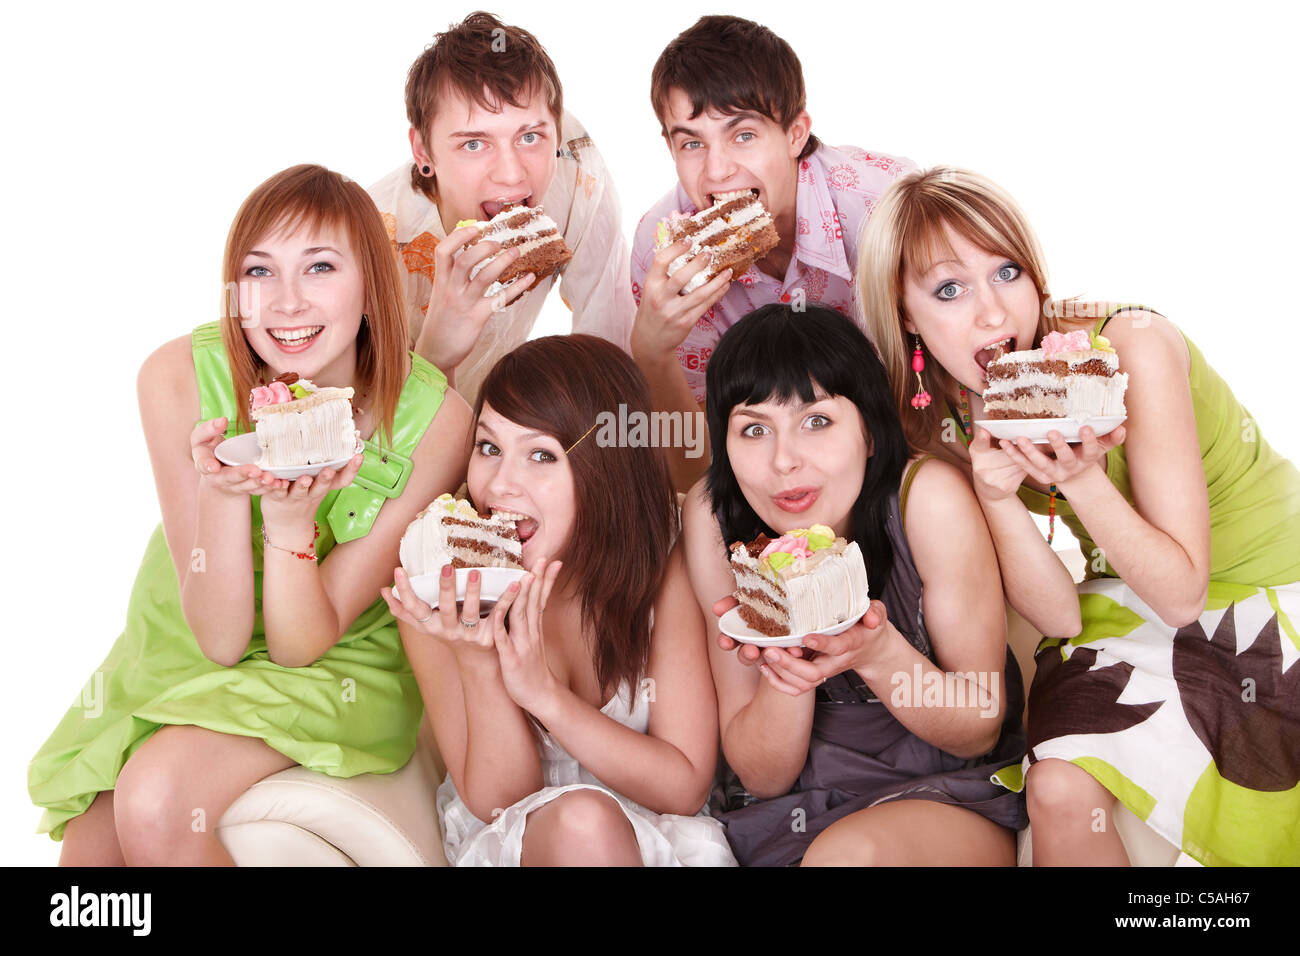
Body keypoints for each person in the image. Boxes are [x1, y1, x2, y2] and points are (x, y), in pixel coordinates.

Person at [28, 164, 473, 865]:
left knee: (156, 800)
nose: (286, 304)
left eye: (320, 267)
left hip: (332, 663)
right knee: (90, 872)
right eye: (260, 273)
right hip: (185, 643)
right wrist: (224, 494)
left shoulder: (436, 420)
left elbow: (301, 644)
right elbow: (220, 638)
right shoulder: (177, 377)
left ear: (371, 288)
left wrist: (292, 527)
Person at [857, 165, 1300, 866]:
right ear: (906, 315)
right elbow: (1060, 618)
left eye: (1006, 272)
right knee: (1058, 781)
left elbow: (1184, 594)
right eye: (949, 289)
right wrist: (997, 495)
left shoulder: (1131, 349)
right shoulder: (937, 415)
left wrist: (1083, 479)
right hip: (1126, 591)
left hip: (1262, 583)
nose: (994, 313)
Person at [681, 303, 1027, 866]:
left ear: (868, 431)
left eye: (816, 421)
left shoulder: (927, 500)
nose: (784, 461)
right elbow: (763, 777)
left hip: (947, 795)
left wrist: (877, 652)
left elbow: (979, 730)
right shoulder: (716, 518)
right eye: (753, 429)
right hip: (794, 809)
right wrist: (785, 669)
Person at [382, 334, 735, 866]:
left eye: (541, 455)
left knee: (590, 821)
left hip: (659, 842)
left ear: (608, 469)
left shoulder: (665, 562)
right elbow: (500, 802)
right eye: (489, 447)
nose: (501, 484)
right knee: (583, 821)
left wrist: (544, 696)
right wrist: (478, 662)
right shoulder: (440, 580)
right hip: (521, 846)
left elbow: (682, 784)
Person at [630, 14, 914, 490]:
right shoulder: (660, 251)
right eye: (692, 143)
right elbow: (697, 479)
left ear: (796, 134)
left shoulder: (884, 202)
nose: (717, 171)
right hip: (765, 489)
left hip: (903, 462)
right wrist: (651, 351)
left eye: (743, 135)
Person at [368, 11, 635, 407]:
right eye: (474, 144)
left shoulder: (576, 173)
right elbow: (366, 432)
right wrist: (434, 354)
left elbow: (609, 346)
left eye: (529, 137)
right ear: (423, 152)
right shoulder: (371, 237)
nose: (512, 176)